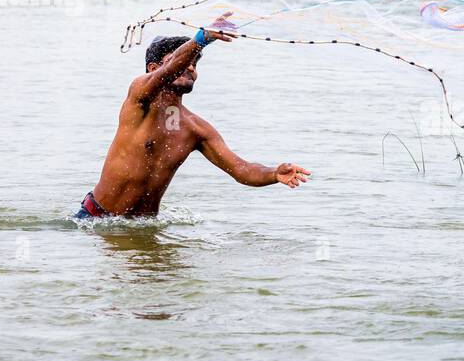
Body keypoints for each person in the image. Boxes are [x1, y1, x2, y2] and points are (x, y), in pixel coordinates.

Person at [75, 13, 309, 219]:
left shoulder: (196, 129)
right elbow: (170, 70)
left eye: (195, 64)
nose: (191, 68)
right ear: (153, 69)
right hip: (97, 221)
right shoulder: (139, 100)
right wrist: (200, 40)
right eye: (185, 61)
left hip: (144, 226)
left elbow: (242, 170)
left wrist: (274, 173)